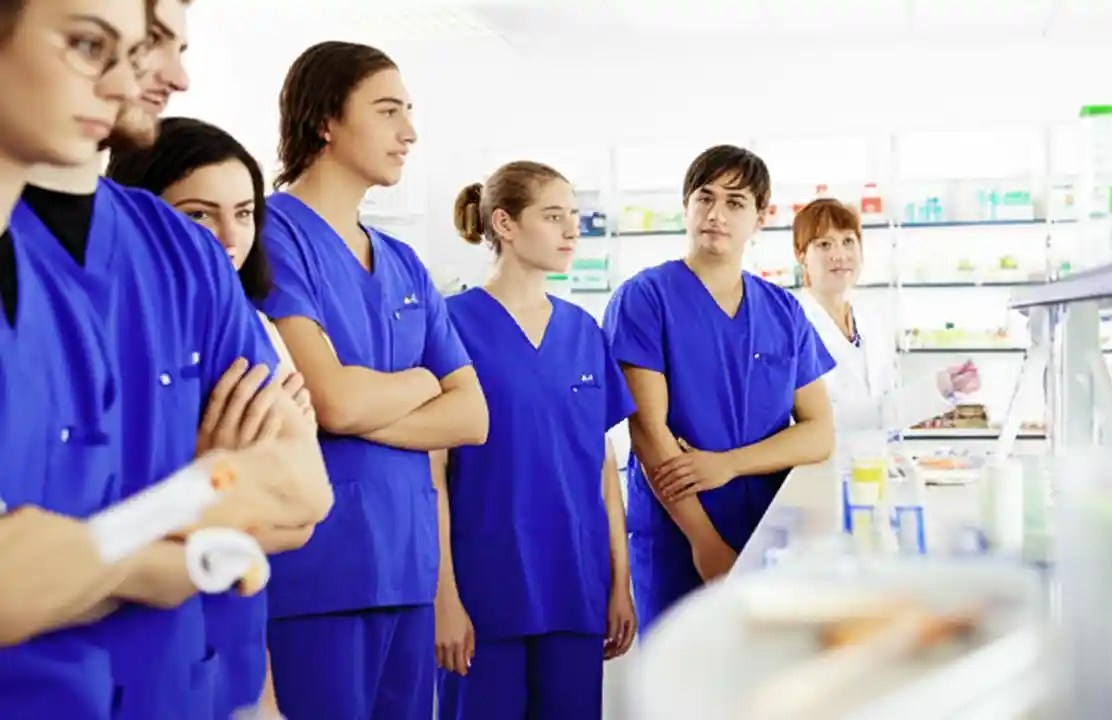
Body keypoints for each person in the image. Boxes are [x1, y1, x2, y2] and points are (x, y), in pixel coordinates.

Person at [20, 0, 333, 717]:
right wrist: (205, 499)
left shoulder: (183, 256)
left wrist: (102, 543)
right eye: (95, 42)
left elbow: (301, 491)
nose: (172, 73)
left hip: (195, 681)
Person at [258, 40, 488, 720]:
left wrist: (361, 404)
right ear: (325, 120)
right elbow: (328, 400)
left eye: (408, 113)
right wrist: (423, 380)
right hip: (317, 569)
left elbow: (472, 416)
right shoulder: (272, 238)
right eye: (388, 111)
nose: (409, 132)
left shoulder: (403, 260)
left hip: (406, 563)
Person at [106, 116, 314, 719]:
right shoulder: (104, 326)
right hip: (128, 640)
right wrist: (217, 477)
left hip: (233, 634)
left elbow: (295, 512)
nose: (226, 236)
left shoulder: (257, 329)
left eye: (244, 213)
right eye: (199, 214)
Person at [602, 145, 836, 634]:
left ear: (760, 218)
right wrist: (705, 543)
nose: (716, 214)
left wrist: (727, 463)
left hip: (770, 532)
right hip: (679, 536)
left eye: (735, 203)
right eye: (704, 198)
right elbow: (649, 434)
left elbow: (819, 434)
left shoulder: (782, 310)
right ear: (686, 205)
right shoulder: (645, 299)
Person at [433, 162, 637, 720]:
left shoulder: (583, 331)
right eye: (553, 217)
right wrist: (443, 596)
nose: (572, 230)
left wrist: (620, 581)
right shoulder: (450, 326)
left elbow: (601, 465)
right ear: (504, 223)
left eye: (574, 216)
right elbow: (433, 475)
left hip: (575, 585)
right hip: (485, 590)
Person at [0, 1, 147, 716]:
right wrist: (208, 497)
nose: (123, 87)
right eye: (88, 45)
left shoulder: (40, 282)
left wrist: (79, 556)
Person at [792, 198, 980, 466]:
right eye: (824, 244)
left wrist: (943, 389)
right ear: (801, 255)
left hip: (879, 473)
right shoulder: (791, 326)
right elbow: (825, 419)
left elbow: (889, 408)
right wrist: (933, 389)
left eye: (848, 241)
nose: (840, 255)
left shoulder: (871, 321)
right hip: (823, 476)